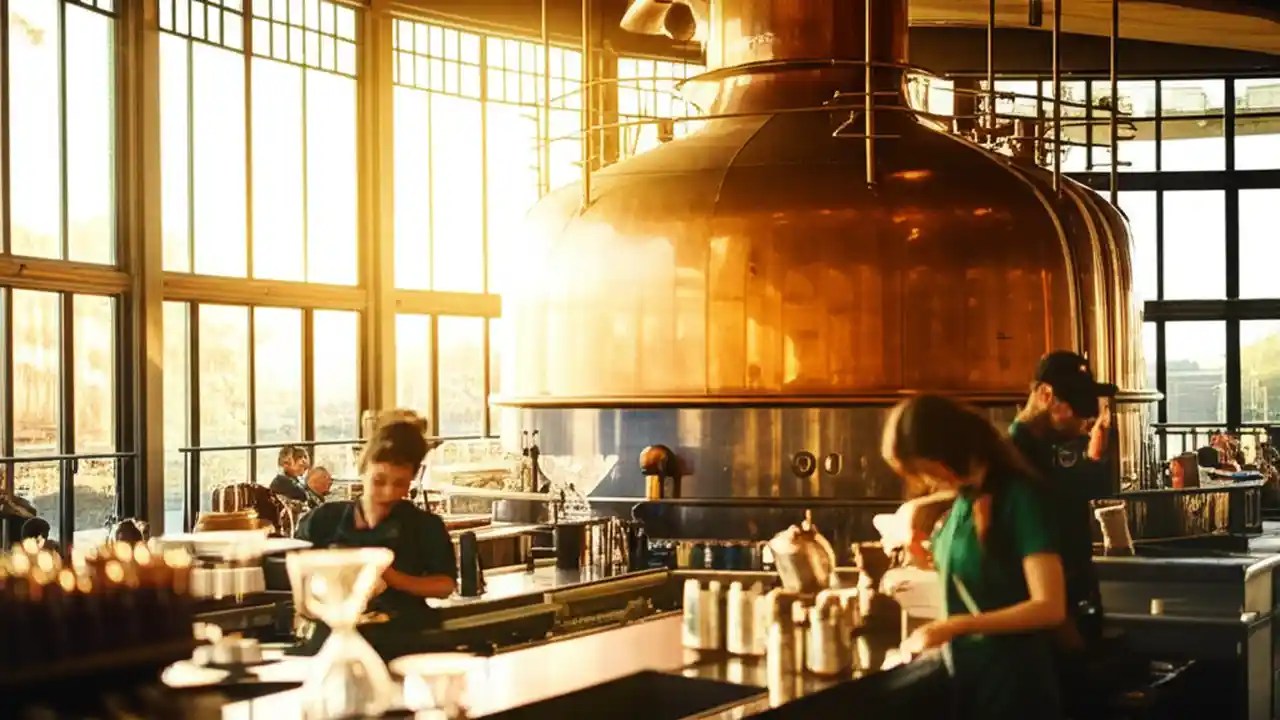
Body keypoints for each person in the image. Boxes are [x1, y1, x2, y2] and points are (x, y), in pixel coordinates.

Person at [885, 394, 1067, 720]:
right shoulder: (965, 503)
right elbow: (981, 576)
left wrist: (956, 627)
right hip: (972, 685)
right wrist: (923, 557)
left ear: (943, 455)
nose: (926, 481)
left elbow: (1050, 607)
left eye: (924, 470)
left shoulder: (1020, 498)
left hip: (1015, 691)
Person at [294, 410, 456, 660]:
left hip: (406, 643)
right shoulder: (323, 521)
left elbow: (445, 585)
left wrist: (390, 576)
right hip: (332, 644)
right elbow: (300, 581)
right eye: (379, 481)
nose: (389, 492)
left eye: (400, 483)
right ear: (363, 469)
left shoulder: (424, 526)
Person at [1009, 351, 1116, 650]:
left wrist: (1095, 458)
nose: (1085, 417)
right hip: (1055, 620)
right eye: (1076, 407)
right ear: (1045, 394)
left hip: (1079, 600)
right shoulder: (1015, 456)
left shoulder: (1050, 449)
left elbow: (1078, 492)